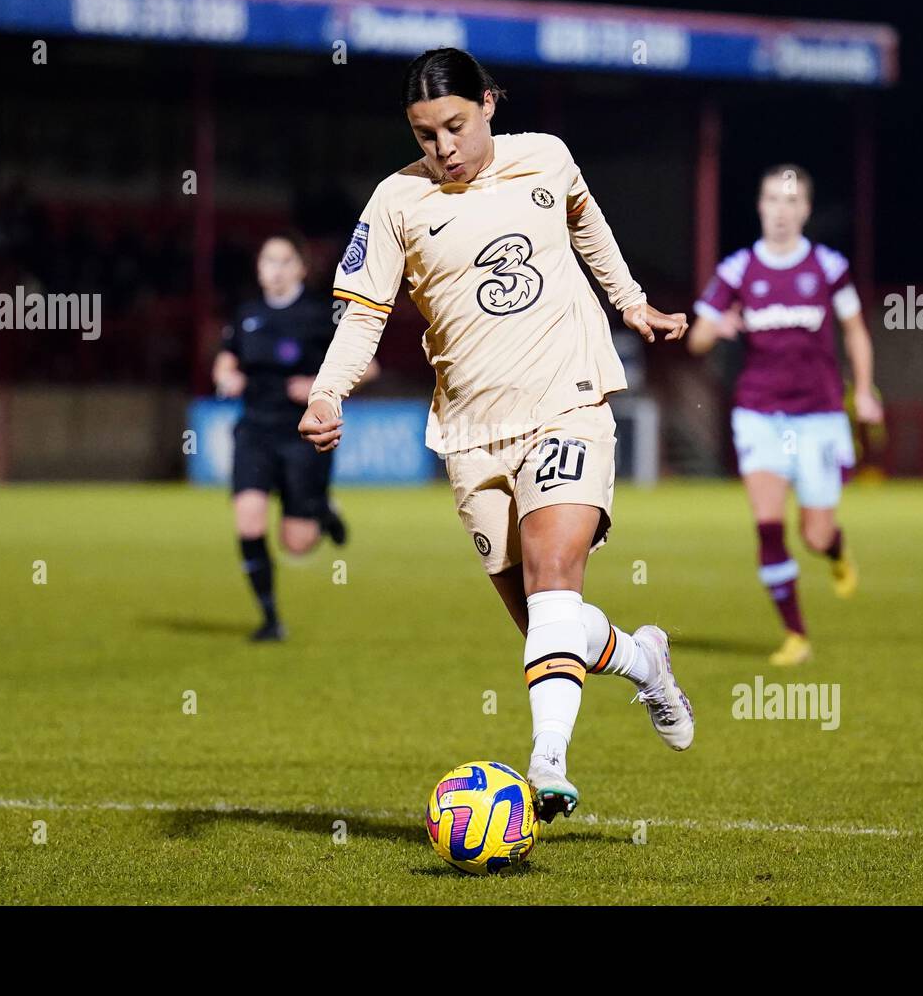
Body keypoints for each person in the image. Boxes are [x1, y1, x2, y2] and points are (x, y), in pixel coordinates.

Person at [298, 47, 696, 822]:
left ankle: (547, 762)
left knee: (554, 572)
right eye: (424, 135)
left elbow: (588, 220)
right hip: (472, 436)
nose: (442, 147)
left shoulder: (545, 158)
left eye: (453, 125)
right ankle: (647, 659)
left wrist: (631, 303)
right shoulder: (395, 203)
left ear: (487, 104)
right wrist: (326, 390)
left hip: (567, 400)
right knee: (552, 623)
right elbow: (364, 315)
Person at [687, 165, 884, 666]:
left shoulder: (827, 267)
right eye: (772, 199)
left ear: (805, 210)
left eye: (790, 201)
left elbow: (856, 331)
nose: (780, 209)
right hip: (759, 414)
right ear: (760, 206)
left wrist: (863, 391)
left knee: (815, 533)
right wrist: (720, 326)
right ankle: (796, 634)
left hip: (819, 416)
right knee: (769, 526)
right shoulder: (738, 270)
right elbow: (697, 338)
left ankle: (836, 551)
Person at [214, 233, 375, 642]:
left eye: (285, 261)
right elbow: (226, 360)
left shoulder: (324, 313)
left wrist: (321, 385)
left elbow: (368, 366)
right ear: (259, 268)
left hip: (304, 433)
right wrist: (225, 376)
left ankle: (320, 509)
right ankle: (270, 620)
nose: (276, 268)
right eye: (269, 260)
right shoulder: (246, 313)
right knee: (248, 518)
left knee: (297, 543)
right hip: (254, 430)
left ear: (301, 268)